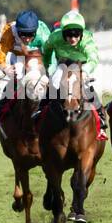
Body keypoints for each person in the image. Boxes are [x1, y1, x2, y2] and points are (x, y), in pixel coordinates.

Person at [40, 9, 106, 141]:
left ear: (82, 33)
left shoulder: (87, 39)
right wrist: (47, 68)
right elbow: (46, 51)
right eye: (69, 35)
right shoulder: (55, 37)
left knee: (86, 87)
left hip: (81, 66)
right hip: (63, 64)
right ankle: (41, 111)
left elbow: (93, 58)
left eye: (76, 34)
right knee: (54, 82)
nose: (73, 38)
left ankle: (101, 119)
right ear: (62, 33)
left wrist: (85, 71)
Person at [0, 9, 51, 122]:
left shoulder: (42, 32)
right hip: (18, 57)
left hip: (39, 58)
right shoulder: (9, 32)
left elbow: (51, 54)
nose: (27, 38)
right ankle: (0, 111)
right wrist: (6, 69)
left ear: (36, 31)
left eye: (30, 34)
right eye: (23, 34)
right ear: (17, 30)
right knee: (16, 79)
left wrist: (50, 71)